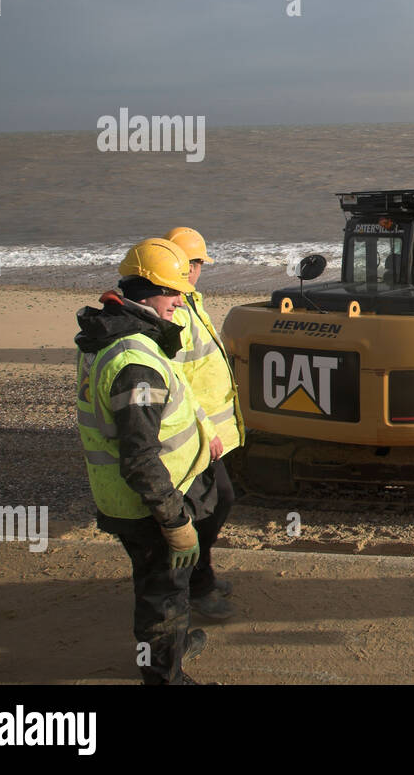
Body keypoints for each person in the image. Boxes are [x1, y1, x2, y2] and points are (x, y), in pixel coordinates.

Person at [74, 238, 223, 684]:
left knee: (162, 588)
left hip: (137, 501)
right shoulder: (134, 362)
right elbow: (139, 457)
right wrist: (174, 520)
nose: (181, 299)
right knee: (161, 596)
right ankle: (164, 676)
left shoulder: (122, 335)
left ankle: (169, 651)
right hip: (149, 506)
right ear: (144, 292)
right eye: (172, 291)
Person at [165, 226, 243, 621]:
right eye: (194, 262)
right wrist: (206, 431)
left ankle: (202, 575)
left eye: (198, 263)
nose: (198, 269)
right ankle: (194, 586)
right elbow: (175, 381)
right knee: (209, 506)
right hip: (193, 436)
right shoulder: (177, 311)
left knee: (214, 503)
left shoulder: (189, 301)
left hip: (204, 432)